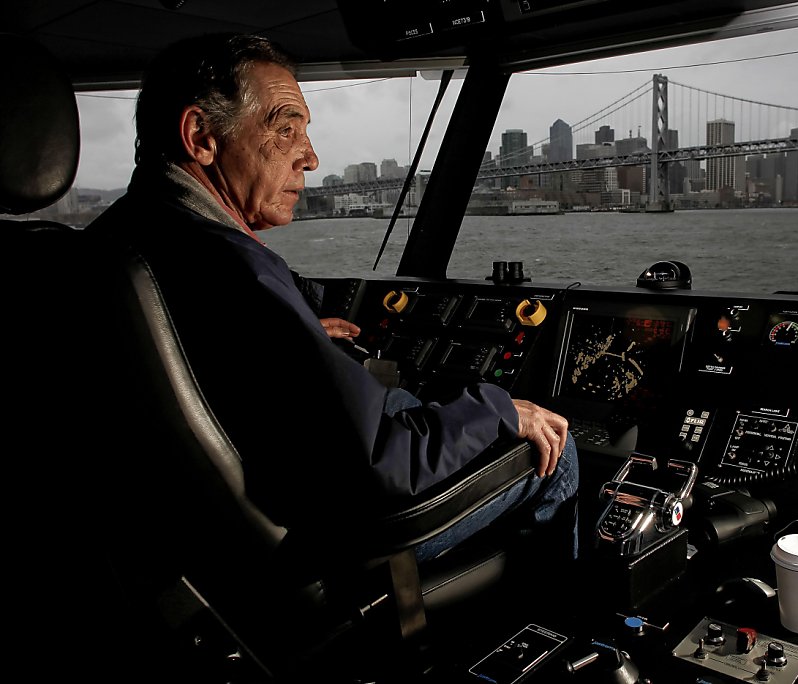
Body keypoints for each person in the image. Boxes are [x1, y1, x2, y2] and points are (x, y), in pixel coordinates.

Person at [88, 33, 578, 565]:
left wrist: (292, 341)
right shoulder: (234, 270)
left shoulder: (108, 244)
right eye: (286, 130)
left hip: (171, 532)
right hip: (313, 539)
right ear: (201, 137)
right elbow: (379, 463)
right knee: (555, 448)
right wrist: (497, 409)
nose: (311, 157)